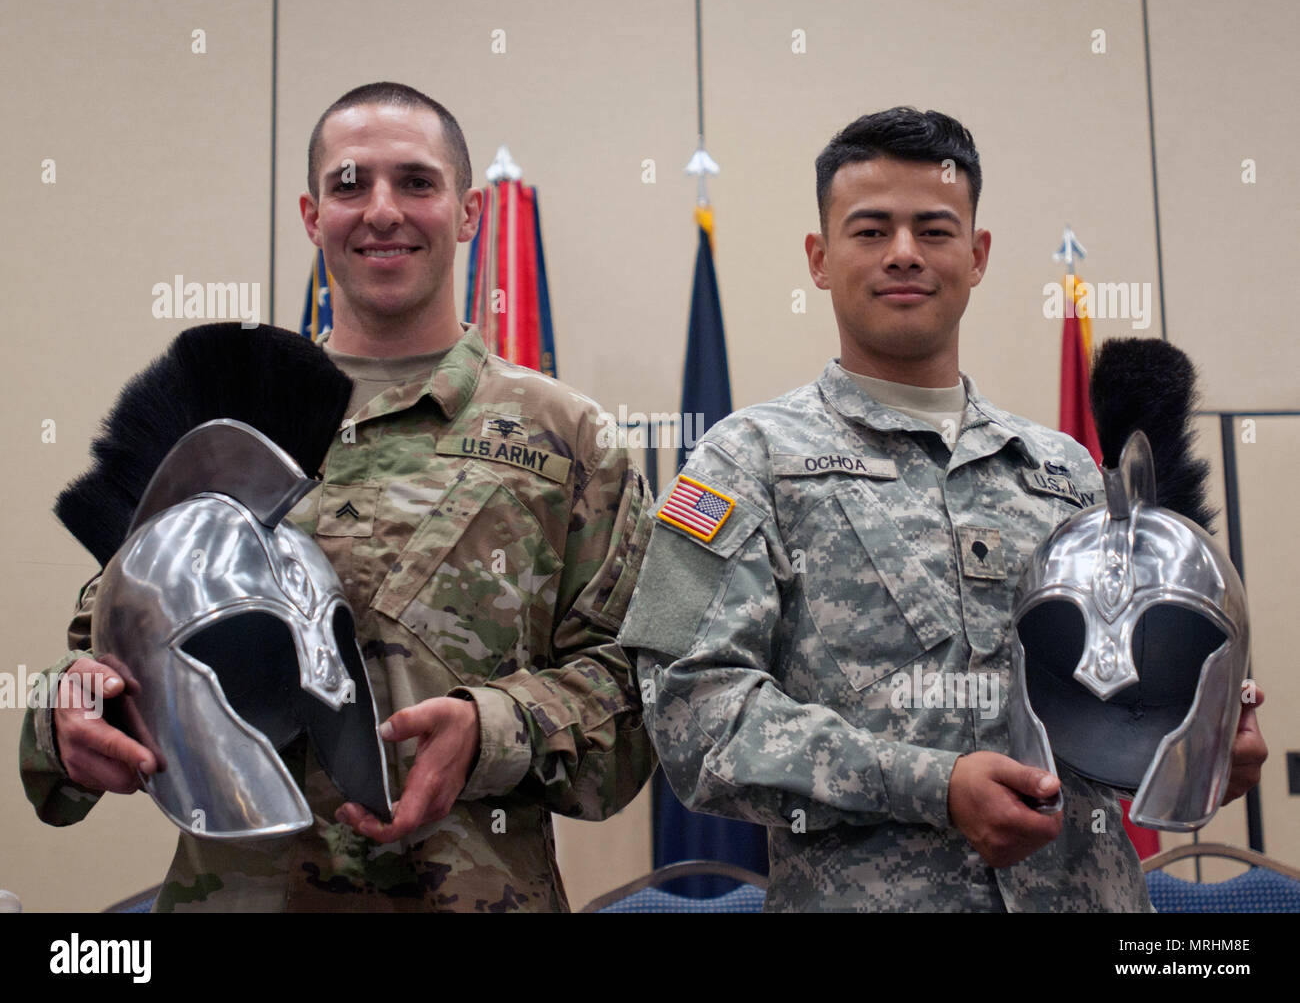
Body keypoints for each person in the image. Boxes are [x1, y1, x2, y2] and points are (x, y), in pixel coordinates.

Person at [20, 82, 655, 912]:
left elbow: (638, 696)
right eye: (350, 184)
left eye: (416, 183)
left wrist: (491, 728)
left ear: (468, 213)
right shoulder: (224, 419)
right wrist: (66, 721)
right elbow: (96, 646)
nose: (382, 210)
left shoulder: (570, 438)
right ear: (312, 216)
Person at [618, 107, 1267, 912]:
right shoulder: (744, 463)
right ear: (818, 259)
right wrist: (934, 785)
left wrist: (1191, 746)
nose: (903, 254)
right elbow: (694, 719)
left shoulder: (1065, 470)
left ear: (978, 254)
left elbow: (1111, 707)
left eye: (933, 229)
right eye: (870, 230)